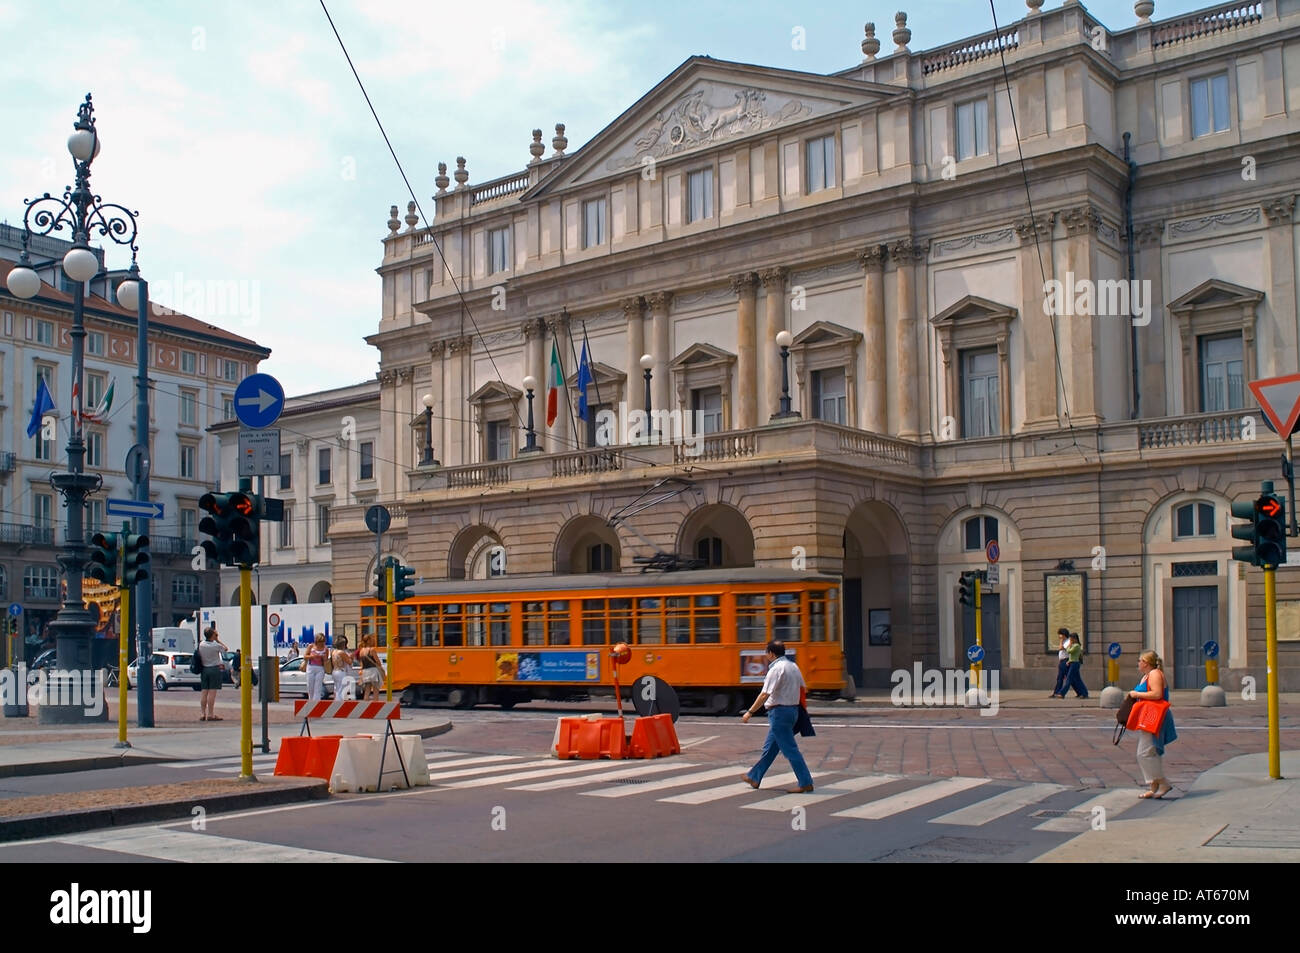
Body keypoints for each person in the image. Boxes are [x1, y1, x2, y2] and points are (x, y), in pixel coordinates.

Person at [740, 641, 815, 794]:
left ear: (771, 653)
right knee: (770, 748)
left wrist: (750, 712)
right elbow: (803, 688)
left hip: (779, 713)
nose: (766, 655)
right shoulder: (793, 666)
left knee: (790, 749)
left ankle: (806, 782)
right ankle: (754, 776)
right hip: (792, 711)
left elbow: (764, 694)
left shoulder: (776, 669)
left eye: (766, 652)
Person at [1129, 650, 1176, 799]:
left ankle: (1163, 782)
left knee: (1143, 753)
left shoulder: (1155, 674)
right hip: (1149, 716)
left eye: (1139, 660)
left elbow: (1157, 694)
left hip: (1155, 716)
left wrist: (1136, 694)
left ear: (1146, 662)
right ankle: (1153, 786)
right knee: (1151, 751)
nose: (1138, 663)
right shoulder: (1147, 676)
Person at [196, 627, 227, 721]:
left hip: (204, 669)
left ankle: (202, 713)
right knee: (212, 693)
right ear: (213, 635)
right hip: (214, 669)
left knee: (204, 692)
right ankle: (210, 714)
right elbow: (225, 649)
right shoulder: (215, 645)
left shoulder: (201, 644)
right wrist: (217, 639)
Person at [356, 634, 386, 701]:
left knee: (367, 691)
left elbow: (362, 663)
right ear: (369, 641)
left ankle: (366, 706)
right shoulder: (372, 650)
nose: (373, 641)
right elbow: (378, 662)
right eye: (372, 639)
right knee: (376, 690)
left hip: (365, 672)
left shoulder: (361, 651)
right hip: (373, 671)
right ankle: (375, 706)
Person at [1062, 631, 1089, 699]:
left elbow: (1069, 651)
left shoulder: (1077, 646)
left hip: (1075, 664)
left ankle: (1062, 693)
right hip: (1072, 663)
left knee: (1069, 679)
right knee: (1078, 680)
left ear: (1075, 639)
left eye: (1071, 639)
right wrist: (1069, 661)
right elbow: (1072, 656)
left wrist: (1068, 646)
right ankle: (1083, 693)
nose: (1070, 641)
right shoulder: (1074, 645)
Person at [331, 634, 355, 700]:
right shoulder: (341, 652)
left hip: (335, 670)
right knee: (342, 689)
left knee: (337, 689)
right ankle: (340, 703)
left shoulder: (333, 652)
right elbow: (349, 662)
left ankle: (336, 701)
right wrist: (352, 657)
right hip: (341, 671)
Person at [306, 633, 328, 701]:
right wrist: (312, 656)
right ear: (316, 641)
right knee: (310, 686)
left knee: (318, 687)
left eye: (322, 641)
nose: (321, 643)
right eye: (320, 642)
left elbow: (326, 660)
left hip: (320, 668)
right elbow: (305, 656)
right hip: (311, 667)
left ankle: (317, 702)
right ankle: (311, 701)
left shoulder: (326, 649)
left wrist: (323, 657)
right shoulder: (311, 646)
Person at [1050, 627, 1071, 698]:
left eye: (1060, 635)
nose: (1059, 636)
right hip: (1062, 661)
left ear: (1064, 634)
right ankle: (1056, 692)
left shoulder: (1068, 641)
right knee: (1060, 678)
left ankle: (1082, 692)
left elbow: (1061, 648)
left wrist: (1061, 640)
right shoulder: (1065, 641)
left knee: (1071, 679)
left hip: (1066, 661)